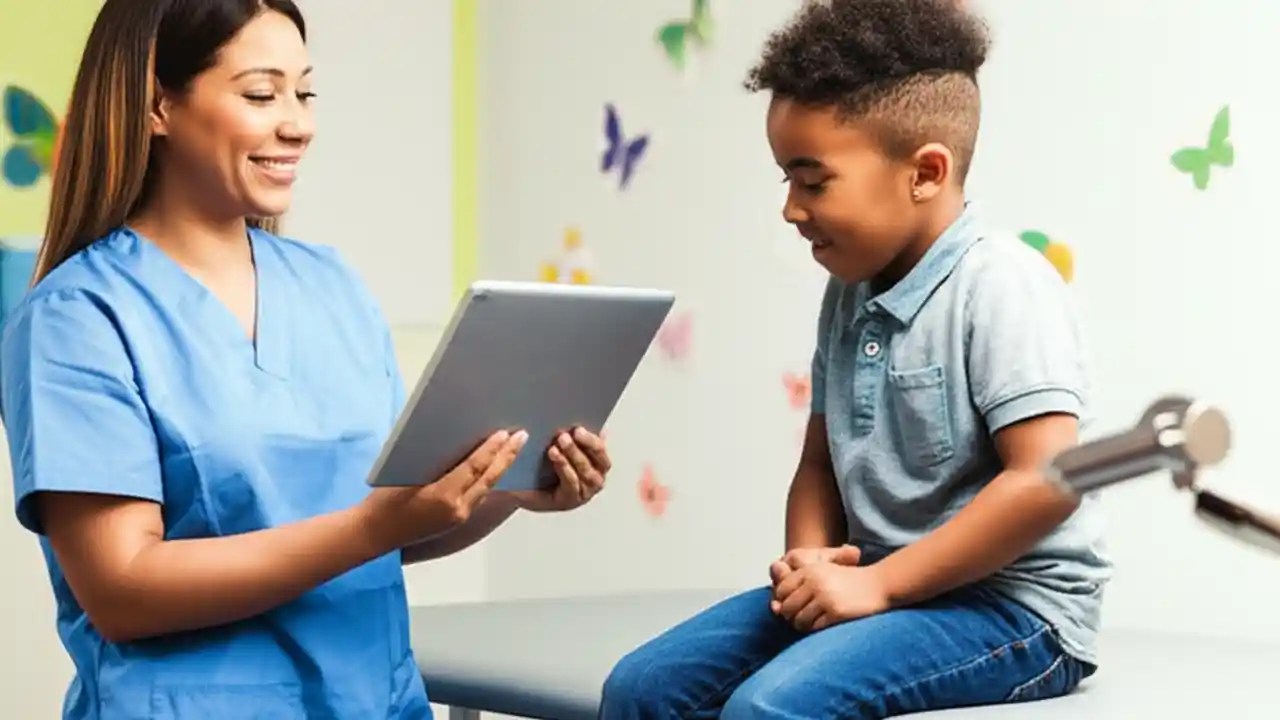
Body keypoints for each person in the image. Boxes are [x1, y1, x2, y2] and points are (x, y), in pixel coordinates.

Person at [0, 1, 612, 718]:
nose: (298, 122)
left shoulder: (330, 286)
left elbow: (387, 532)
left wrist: (508, 489)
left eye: (305, 92)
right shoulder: (78, 316)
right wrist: (376, 528)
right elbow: (123, 590)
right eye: (261, 94)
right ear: (158, 104)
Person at [599, 1, 1111, 718]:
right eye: (786, 181)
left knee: (769, 708)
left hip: (1013, 610)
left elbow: (1048, 479)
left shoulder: (1002, 285)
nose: (790, 209)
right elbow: (819, 466)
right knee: (642, 689)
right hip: (885, 584)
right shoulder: (849, 296)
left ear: (926, 172)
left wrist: (880, 586)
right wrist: (811, 563)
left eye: (812, 181)